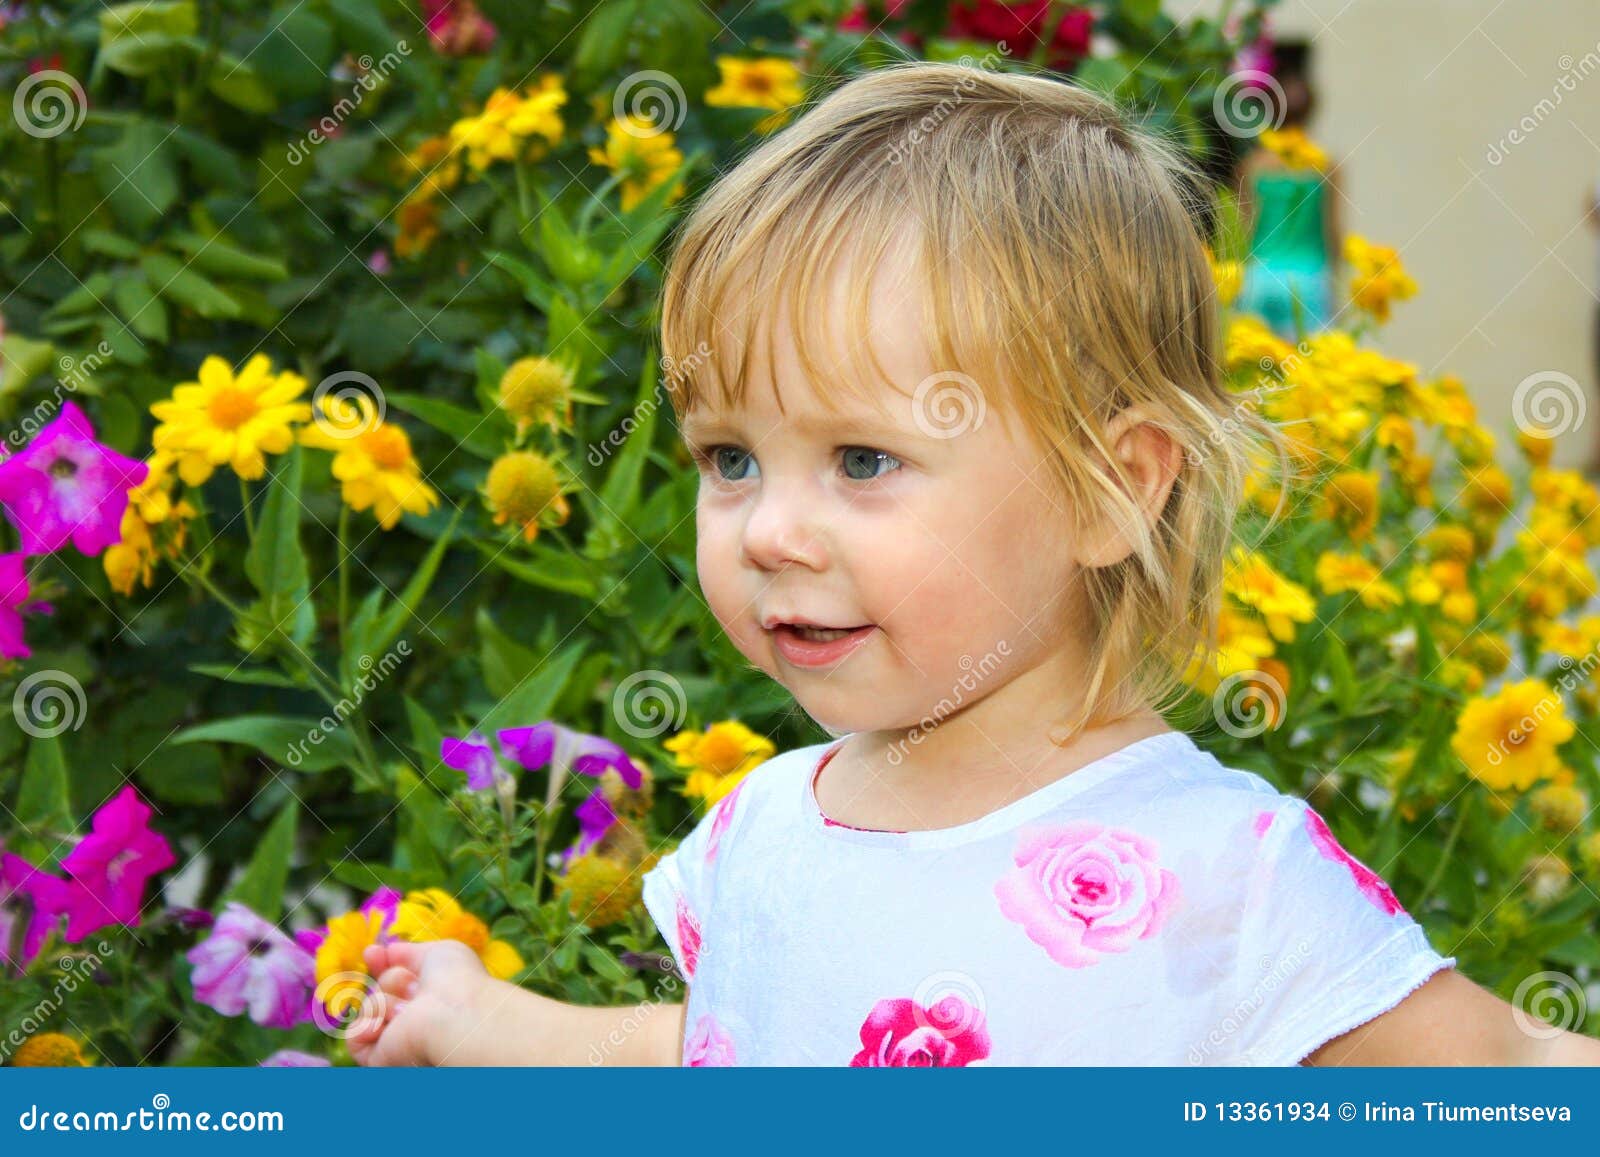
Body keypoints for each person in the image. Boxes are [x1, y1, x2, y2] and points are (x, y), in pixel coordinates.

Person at [349, 62, 1600, 1067]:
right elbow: (744, 1046)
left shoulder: (1229, 874)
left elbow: (1511, 1066)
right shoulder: (762, 831)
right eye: (729, 456)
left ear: (1114, 487)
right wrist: (487, 1024)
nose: (769, 528)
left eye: (861, 459)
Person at [1233, 45, 1342, 339]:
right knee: (1309, 367)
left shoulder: (1253, 165)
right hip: (1308, 277)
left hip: (1260, 276)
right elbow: (1332, 230)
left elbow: (1244, 227)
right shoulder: (1324, 165)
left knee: (1250, 365)